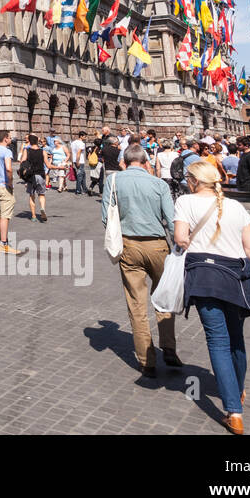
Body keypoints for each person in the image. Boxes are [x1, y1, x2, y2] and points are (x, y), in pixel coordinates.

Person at [175, 159, 250, 435]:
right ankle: (238, 392)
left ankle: (234, 412)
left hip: (204, 277)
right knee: (236, 339)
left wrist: (190, 242)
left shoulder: (185, 202)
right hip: (236, 278)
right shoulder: (235, 206)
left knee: (217, 341)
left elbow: (181, 238)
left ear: (193, 181)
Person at [102, 142, 179, 378]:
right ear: (146, 162)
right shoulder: (159, 184)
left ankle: (146, 361)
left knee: (136, 303)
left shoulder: (113, 181)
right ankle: (169, 348)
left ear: (124, 162)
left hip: (129, 246)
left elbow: (106, 217)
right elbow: (172, 219)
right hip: (158, 246)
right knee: (164, 298)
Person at [18, 135, 48, 221]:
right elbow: (48, 165)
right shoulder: (43, 151)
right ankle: (42, 208)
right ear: (37, 141)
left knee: (32, 196)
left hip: (31, 176)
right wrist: (60, 168)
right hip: (41, 175)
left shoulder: (26, 150)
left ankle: (34, 216)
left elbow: (22, 161)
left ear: (30, 142)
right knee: (41, 194)